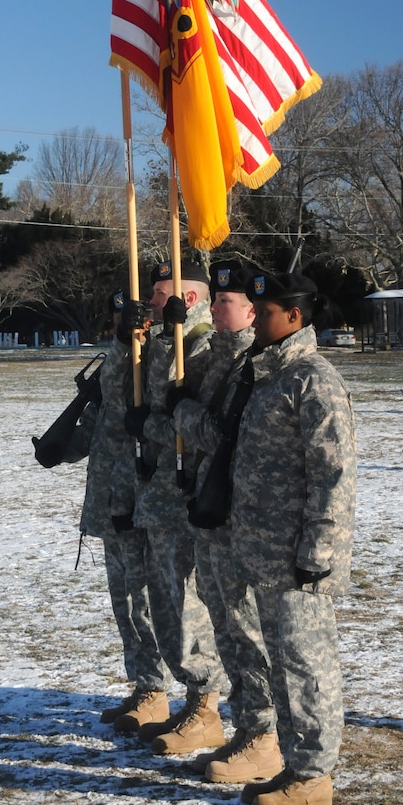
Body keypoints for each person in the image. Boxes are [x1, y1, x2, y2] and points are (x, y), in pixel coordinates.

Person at [230, 271, 357, 805]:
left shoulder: (314, 380)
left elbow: (335, 475)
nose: (256, 317)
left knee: (307, 664)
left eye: (266, 311)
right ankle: (295, 762)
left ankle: (313, 778)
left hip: (300, 554)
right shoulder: (266, 376)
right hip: (264, 549)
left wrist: (320, 553)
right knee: (283, 665)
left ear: (296, 317)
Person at [168, 261, 281, 784]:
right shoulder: (215, 354)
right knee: (225, 624)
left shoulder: (254, 363)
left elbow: (215, 431)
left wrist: (181, 413)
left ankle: (264, 734)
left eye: (225, 303)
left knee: (245, 625)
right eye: (212, 302)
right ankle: (244, 727)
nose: (214, 309)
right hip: (208, 508)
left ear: (254, 312)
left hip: (240, 514)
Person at [115, 259, 228, 756]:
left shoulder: (203, 349)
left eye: (164, 293)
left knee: (188, 601)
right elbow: (133, 403)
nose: (155, 301)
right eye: (156, 292)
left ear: (194, 299)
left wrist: (152, 428)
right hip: (157, 495)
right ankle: (187, 697)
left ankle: (207, 704)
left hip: (188, 494)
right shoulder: (164, 345)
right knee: (164, 602)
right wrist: (133, 341)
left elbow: (190, 427)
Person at [73, 291, 172, 728]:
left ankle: (157, 686)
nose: (133, 326)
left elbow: (138, 399)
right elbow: (108, 406)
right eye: (123, 318)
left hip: (141, 494)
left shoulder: (163, 354)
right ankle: (144, 684)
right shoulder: (123, 355)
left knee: (145, 598)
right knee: (125, 601)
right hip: (110, 494)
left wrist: (149, 342)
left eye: (134, 318)